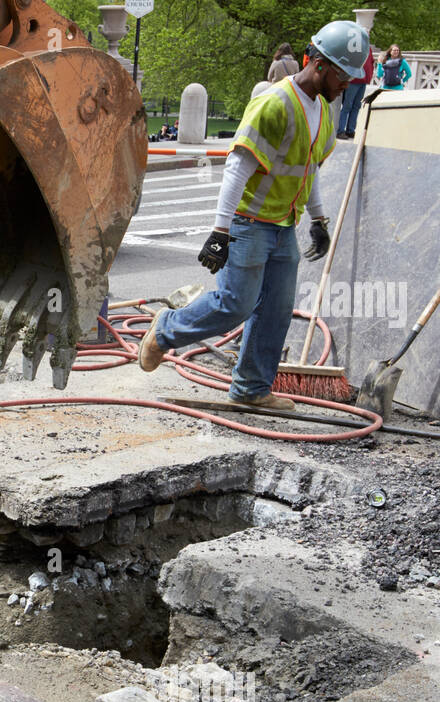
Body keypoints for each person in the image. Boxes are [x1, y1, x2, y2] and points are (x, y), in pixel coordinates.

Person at [137, 20, 369, 412]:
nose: (348, 84)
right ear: (322, 65)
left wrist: (318, 219)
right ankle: (164, 330)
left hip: (283, 226)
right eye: (344, 75)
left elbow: (307, 169)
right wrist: (219, 231)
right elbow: (237, 167)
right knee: (235, 304)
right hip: (248, 222)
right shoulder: (276, 104)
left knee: (276, 309)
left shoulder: (325, 114)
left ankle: (251, 388)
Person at [337, 43, 375, 139]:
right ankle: (340, 130)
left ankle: (351, 130)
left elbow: (371, 63)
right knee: (347, 106)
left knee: (357, 106)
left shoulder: (368, 48)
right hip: (353, 80)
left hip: (363, 81)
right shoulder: (354, 47)